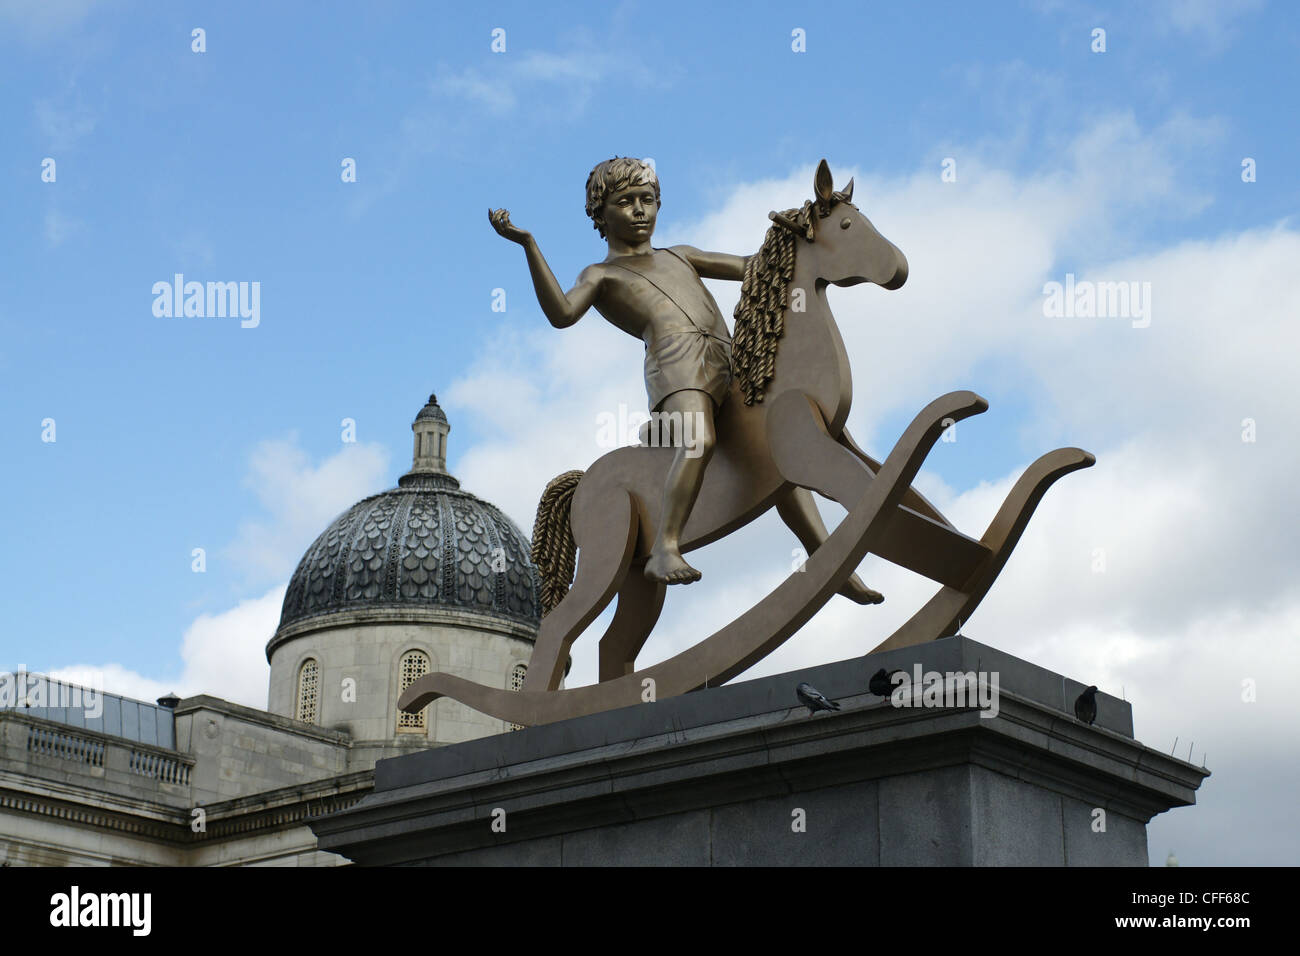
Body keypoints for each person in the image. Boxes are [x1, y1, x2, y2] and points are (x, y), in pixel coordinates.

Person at [490, 156, 882, 603]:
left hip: (730, 361)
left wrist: (805, 224)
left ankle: (828, 559)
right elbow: (561, 313)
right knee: (700, 442)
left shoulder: (682, 255)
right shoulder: (600, 275)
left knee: (776, 452)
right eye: (626, 202)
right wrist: (528, 245)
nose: (640, 211)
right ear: (601, 214)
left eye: (648, 200)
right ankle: (665, 547)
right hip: (677, 370)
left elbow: (755, 266)